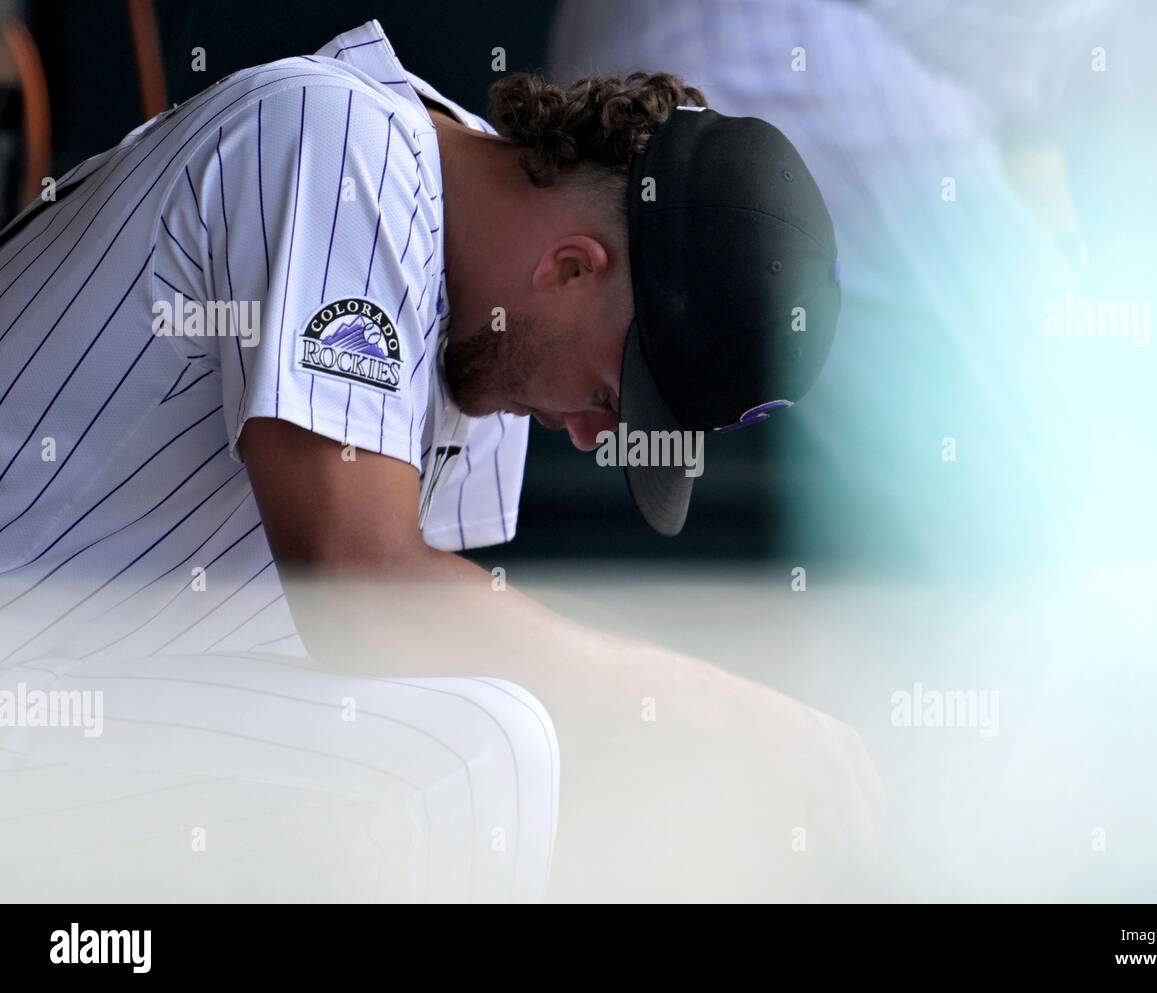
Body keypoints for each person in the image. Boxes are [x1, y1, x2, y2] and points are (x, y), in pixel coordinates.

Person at [0, 19, 878, 901]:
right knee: (477, 745)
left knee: (508, 737)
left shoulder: (481, 312)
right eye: (613, 396)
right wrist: (712, 707)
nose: (587, 436)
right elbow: (363, 595)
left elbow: (434, 640)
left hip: (73, 689)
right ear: (572, 269)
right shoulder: (338, 145)